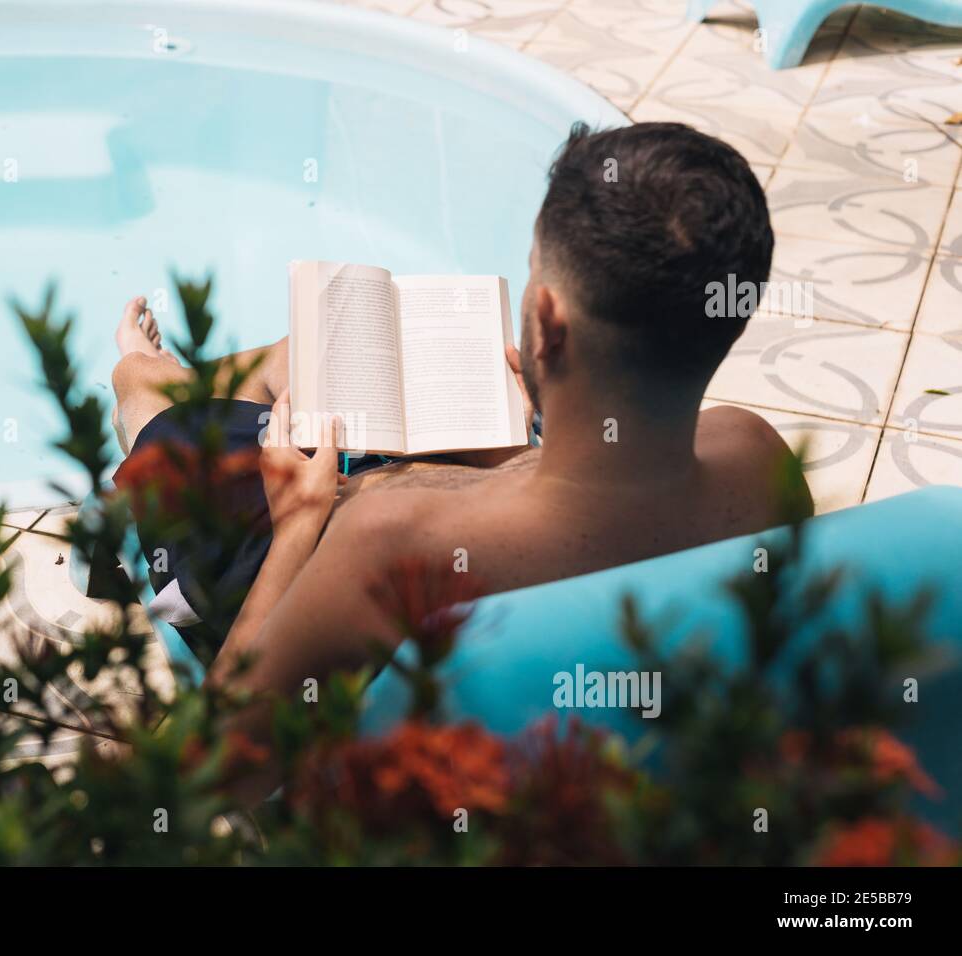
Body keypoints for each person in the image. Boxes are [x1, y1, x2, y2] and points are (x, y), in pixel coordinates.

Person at [108, 121, 812, 736]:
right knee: (300, 360)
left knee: (143, 393)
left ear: (546, 325)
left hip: (292, 543)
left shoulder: (389, 544)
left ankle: (152, 374)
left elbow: (218, 760)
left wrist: (297, 522)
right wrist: (523, 439)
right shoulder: (754, 458)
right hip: (469, 483)